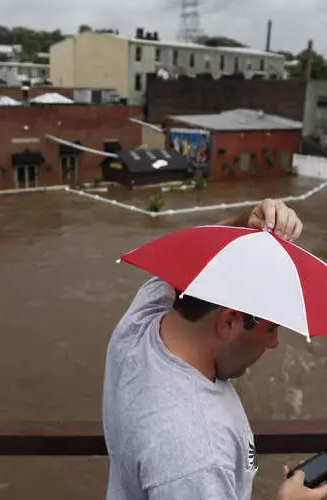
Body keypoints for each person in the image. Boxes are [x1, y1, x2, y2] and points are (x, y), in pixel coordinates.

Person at [103, 198, 327, 500]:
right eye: (271, 328)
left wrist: (250, 222)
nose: (275, 343)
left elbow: (201, 255)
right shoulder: (197, 456)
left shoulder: (145, 315)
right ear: (230, 322)